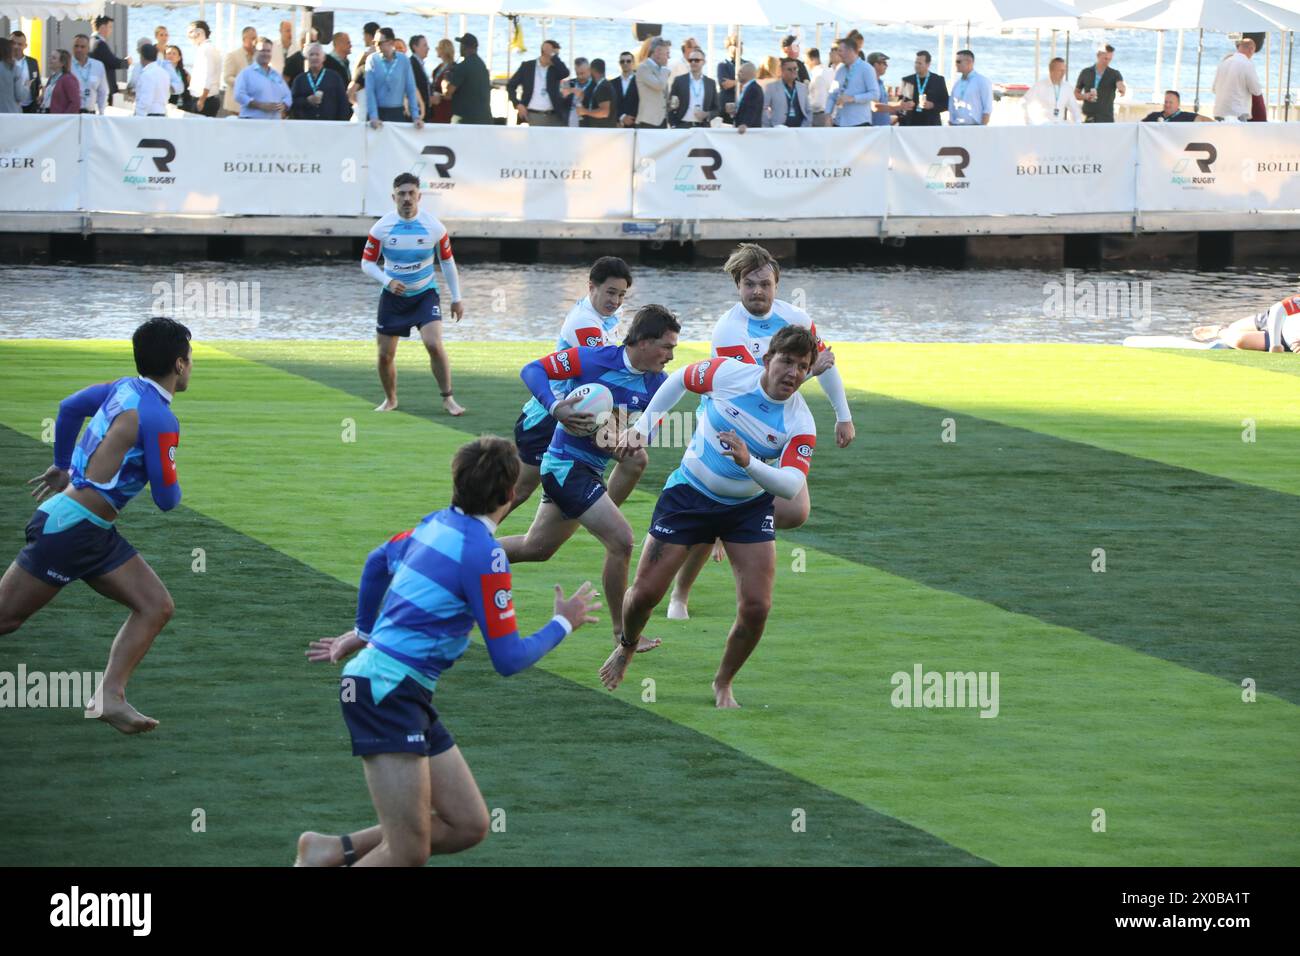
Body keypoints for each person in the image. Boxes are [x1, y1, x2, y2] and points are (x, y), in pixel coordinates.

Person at [295, 436, 600, 867]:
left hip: (396, 689)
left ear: (456, 484)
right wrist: (563, 622)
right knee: (408, 852)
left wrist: (366, 630)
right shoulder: (486, 555)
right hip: (386, 692)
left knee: (469, 823)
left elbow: (376, 561)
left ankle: (328, 850)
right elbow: (509, 660)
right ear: (511, 495)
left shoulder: (433, 524)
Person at [599, 326, 821, 708]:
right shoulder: (728, 375)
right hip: (689, 496)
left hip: (746, 512)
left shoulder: (800, 422)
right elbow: (681, 379)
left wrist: (748, 462)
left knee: (757, 607)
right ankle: (627, 644)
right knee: (645, 594)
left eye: (803, 367)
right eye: (787, 361)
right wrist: (643, 427)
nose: (793, 373)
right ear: (768, 360)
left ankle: (723, 683)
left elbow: (789, 485)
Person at [0, 317, 192, 734]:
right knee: (5, 619)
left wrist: (63, 465)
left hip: (90, 530)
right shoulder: (160, 418)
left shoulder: (123, 387)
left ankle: (109, 696)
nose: (191, 367)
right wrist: (172, 472)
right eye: (190, 360)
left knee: (155, 606)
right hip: (70, 530)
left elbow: (70, 407)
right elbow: (166, 500)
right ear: (178, 364)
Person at [663, 243, 853, 622]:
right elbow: (757, 386)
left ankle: (726, 527)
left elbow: (819, 364)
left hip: (775, 426)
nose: (757, 292)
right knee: (713, 509)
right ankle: (679, 595)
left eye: (764, 284)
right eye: (749, 284)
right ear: (738, 286)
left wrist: (842, 414)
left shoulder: (796, 318)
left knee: (796, 509)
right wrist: (810, 372)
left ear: (777, 284)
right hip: (730, 426)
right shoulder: (729, 330)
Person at [500, 305, 680, 658]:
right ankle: (622, 635)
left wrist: (613, 432)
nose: (671, 356)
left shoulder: (660, 387)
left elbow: (644, 438)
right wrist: (556, 408)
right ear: (643, 342)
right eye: (667, 347)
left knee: (536, 548)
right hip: (563, 466)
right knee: (622, 540)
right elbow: (532, 369)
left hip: (588, 471)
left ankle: (459, 558)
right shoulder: (592, 359)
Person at [510, 256, 642, 516]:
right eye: (610, 292)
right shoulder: (584, 322)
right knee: (518, 491)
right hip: (548, 418)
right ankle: (473, 533)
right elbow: (607, 368)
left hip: (577, 412)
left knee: (633, 458)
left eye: (622, 295)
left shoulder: (609, 314)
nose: (615, 301)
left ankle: (603, 516)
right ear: (591, 286)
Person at [362, 172, 465, 416]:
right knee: (385, 354)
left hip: (425, 293)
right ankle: (390, 400)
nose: (407, 198)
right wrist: (388, 281)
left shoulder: (434, 227)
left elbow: (448, 263)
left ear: (419, 196)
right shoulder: (381, 228)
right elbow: (366, 263)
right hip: (392, 298)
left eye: (411, 193)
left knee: (433, 343)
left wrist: (457, 298)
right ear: (393, 196)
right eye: (402, 194)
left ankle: (448, 399)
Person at [1193, 295, 1300, 352]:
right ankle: (1223, 331)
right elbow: (1278, 309)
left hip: (1286, 338)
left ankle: (1218, 331)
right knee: (1234, 327)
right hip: (1275, 319)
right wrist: (1275, 345)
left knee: (1240, 341)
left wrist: (1281, 343)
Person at [366, 27, 423, 129]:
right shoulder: (372, 59)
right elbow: (370, 90)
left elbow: (410, 88)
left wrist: (416, 116)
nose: (376, 46)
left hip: (397, 113)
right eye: (374, 42)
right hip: (378, 112)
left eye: (379, 43)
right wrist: (373, 116)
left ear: (391, 42)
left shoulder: (403, 60)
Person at [507, 38, 569, 127]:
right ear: (545, 52)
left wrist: (554, 57)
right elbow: (511, 86)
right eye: (554, 54)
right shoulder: (527, 67)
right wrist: (517, 104)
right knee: (536, 140)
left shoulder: (555, 68)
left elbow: (565, 73)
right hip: (534, 114)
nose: (556, 57)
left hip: (554, 115)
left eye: (557, 55)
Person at [234, 37, 291, 119]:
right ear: (255, 51)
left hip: (273, 123)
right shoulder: (246, 73)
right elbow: (239, 95)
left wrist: (284, 105)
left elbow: (287, 95)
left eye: (268, 51)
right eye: (262, 51)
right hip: (252, 121)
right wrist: (260, 105)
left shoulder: (276, 75)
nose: (266, 54)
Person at [291, 42, 349, 121]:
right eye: (311, 54)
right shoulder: (300, 80)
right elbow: (292, 102)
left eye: (317, 54)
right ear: (306, 58)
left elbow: (343, 103)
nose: (314, 57)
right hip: (306, 125)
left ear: (323, 57)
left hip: (330, 125)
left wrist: (342, 124)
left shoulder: (334, 77)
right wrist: (307, 101)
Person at [445, 32, 492, 125]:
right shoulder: (482, 66)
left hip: (466, 119)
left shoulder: (463, 66)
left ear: (464, 47)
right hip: (484, 118)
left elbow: (449, 92)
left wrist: (449, 79)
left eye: (461, 45)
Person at [828, 36, 875, 127]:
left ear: (850, 51)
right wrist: (827, 114)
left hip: (858, 123)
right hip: (839, 122)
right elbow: (832, 94)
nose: (838, 54)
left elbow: (874, 94)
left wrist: (853, 98)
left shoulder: (866, 68)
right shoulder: (840, 70)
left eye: (840, 50)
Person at [1212, 37, 1262, 122]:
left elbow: (1214, 89)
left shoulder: (1224, 62)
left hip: (1219, 111)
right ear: (1251, 49)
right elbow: (1256, 91)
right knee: (1240, 135)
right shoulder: (1247, 64)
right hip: (1237, 113)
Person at [1075, 44, 1125, 124]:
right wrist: (1085, 96)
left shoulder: (1115, 74)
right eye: (1105, 58)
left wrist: (1122, 89)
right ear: (1098, 55)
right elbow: (1076, 93)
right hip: (1088, 118)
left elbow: (1120, 83)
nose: (1107, 61)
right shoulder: (1085, 72)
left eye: (1110, 59)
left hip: (1106, 119)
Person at [897, 50, 949, 127]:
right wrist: (904, 106)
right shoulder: (907, 80)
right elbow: (900, 104)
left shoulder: (938, 80)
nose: (916, 65)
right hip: (910, 125)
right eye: (916, 62)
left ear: (928, 64)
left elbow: (946, 104)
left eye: (919, 63)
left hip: (931, 125)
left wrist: (933, 105)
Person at [669, 49, 718, 127]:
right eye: (690, 60)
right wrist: (673, 125)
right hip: (682, 126)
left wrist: (707, 114)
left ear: (704, 62)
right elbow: (671, 105)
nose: (693, 62)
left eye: (696, 60)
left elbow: (717, 108)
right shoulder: (679, 81)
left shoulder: (710, 83)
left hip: (703, 127)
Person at [1024, 56, 1081, 125]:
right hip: (1043, 126)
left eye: (1064, 70)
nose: (1063, 73)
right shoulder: (1039, 85)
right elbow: (1024, 103)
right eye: (1060, 70)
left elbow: (1074, 109)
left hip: (1060, 126)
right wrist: (1030, 122)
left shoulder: (1067, 87)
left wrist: (1078, 123)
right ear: (1051, 71)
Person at [186, 20, 222, 116]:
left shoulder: (206, 49)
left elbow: (208, 76)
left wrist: (202, 99)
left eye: (190, 32)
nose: (188, 36)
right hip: (204, 98)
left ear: (200, 32)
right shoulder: (205, 48)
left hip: (205, 99)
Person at [761, 57, 810, 128]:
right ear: (782, 71)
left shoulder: (802, 87)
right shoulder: (771, 87)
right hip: (779, 129)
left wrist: (805, 126)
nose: (793, 71)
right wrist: (769, 126)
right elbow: (763, 108)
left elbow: (808, 110)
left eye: (795, 69)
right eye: (789, 69)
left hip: (799, 130)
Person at [90, 16, 130, 101]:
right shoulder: (100, 44)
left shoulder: (91, 41)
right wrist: (127, 62)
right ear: (103, 27)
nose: (111, 30)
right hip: (103, 87)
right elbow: (113, 62)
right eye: (110, 27)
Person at [635, 37, 671, 129]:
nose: (669, 57)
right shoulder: (643, 68)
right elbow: (659, 85)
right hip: (648, 122)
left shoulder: (660, 70)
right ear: (657, 52)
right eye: (667, 53)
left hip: (662, 121)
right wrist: (664, 69)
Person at [949, 49, 992, 125]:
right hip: (957, 127)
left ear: (969, 62)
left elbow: (987, 109)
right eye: (955, 62)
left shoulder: (982, 81)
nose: (956, 64)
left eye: (958, 62)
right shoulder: (957, 84)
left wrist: (981, 129)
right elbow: (952, 107)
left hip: (974, 127)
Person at [221, 26, 257, 116]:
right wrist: (243, 83)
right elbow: (227, 77)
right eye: (252, 38)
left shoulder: (259, 56)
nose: (255, 41)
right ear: (244, 39)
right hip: (235, 106)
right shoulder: (233, 56)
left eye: (256, 38)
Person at [717, 34, 751, 125]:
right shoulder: (723, 65)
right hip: (727, 107)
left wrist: (735, 82)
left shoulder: (747, 65)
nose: (739, 48)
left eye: (741, 45)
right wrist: (742, 81)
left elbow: (751, 83)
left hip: (744, 106)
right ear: (728, 48)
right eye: (735, 45)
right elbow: (725, 84)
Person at [69, 35, 108, 114]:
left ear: (88, 49)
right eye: (76, 46)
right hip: (71, 114)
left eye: (82, 47)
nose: (79, 49)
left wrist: (101, 112)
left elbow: (103, 91)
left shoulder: (98, 65)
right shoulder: (66, 65)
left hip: (90, 113)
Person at [132, 44, 170, 116]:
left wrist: (138, 116)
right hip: (162, 113)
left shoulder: (146, 74)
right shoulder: (164, 73)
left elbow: (146, 99)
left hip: (149, 114)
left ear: (142, 57)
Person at [577, 58, 616, 127]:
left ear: (592, 70)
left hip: (602, 131)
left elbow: (604, 112)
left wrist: (584, 111)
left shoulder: (603, 87)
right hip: (600, 130)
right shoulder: (601, 85)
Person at [39, 49, 80, 114]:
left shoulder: (68, 79)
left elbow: (75, 102)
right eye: (50, 57)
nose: (50, 60)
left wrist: (65, 119)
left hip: (58, 118)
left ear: (62, 63)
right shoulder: (52, 78)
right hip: (46, 114)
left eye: (54, 58)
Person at [428, 38, 455, 123]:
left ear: (444, 50)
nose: (436, 49)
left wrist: (440, 96)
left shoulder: (452, 68)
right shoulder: (440, 67)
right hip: (435, 107)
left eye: (438, 47)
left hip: (445, 107)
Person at [10, 31, 39, 112]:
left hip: (30, 106)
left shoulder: (33, 62)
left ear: (25, 46)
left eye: (19, 44)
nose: (16, 46)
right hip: (11, 107)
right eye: (13, 43)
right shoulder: (4, 62)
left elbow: (37, 82)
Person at [732, 61, 764, 132]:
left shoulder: (754, 89)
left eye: (740, 72)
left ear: (749, 74)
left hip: (749, 130)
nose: (737, 74)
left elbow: (753, 109)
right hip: (742, 128)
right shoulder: (747, 88)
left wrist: (745, 124)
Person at [610, 50, 639, 127]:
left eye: (628, 61)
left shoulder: (640, 82)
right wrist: (622, 117)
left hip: (636, 124)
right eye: (622, 61)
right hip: (618, 124)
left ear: (633, 62)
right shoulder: (612, 83)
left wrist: (632, 118)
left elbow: (642, 102)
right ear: (619, 63)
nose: (625, 63)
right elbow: (611, 104)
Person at [1142, 90, 1207, 122]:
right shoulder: (1153, 115)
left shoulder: (1186, 116)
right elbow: (1139, 126)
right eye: (1166, 102)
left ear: (1178, 104)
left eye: (1170, 102)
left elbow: (1204, 120)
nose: (1167, 105)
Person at [806, 47, 832, 126]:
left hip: (819, 116)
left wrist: (805, 105)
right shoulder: (829, 70)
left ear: (812, 59)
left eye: (806, 61)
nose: (806, 64)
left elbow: (818, 103)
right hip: (830, 113)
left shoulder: (818, 76)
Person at [408, 34, 431, 121]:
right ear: (415, 47)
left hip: (423, 112)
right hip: (417, 113)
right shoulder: (412, 64)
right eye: (424, 45)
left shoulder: (419, 64)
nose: (428, 48)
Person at [164, 46, 193, 112]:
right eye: (168, 53)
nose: (171, 55)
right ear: (165, 57)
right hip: (168, 106)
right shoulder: (162, 72)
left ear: (179, 58)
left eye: (174, 53)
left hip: (185, 106)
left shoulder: (185, 73)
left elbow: (190, 89)